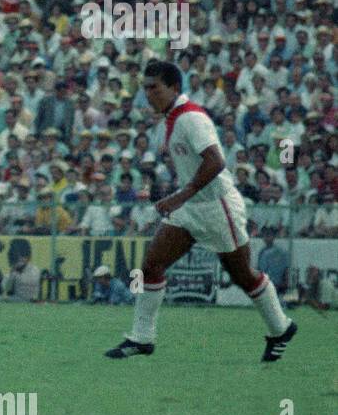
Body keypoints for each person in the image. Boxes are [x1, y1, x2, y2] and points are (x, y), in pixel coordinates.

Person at [105, 61, 297, 362]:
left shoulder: (191, 118)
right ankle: (142, 338)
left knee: (243, 276)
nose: (148, 94)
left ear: (174, 88)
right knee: (151, 265)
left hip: (218, 207)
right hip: (192, 208)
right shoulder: (172, 118)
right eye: (145, 88)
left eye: (154, 87)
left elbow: (216, 161)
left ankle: (281, 326)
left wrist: (180, 195)